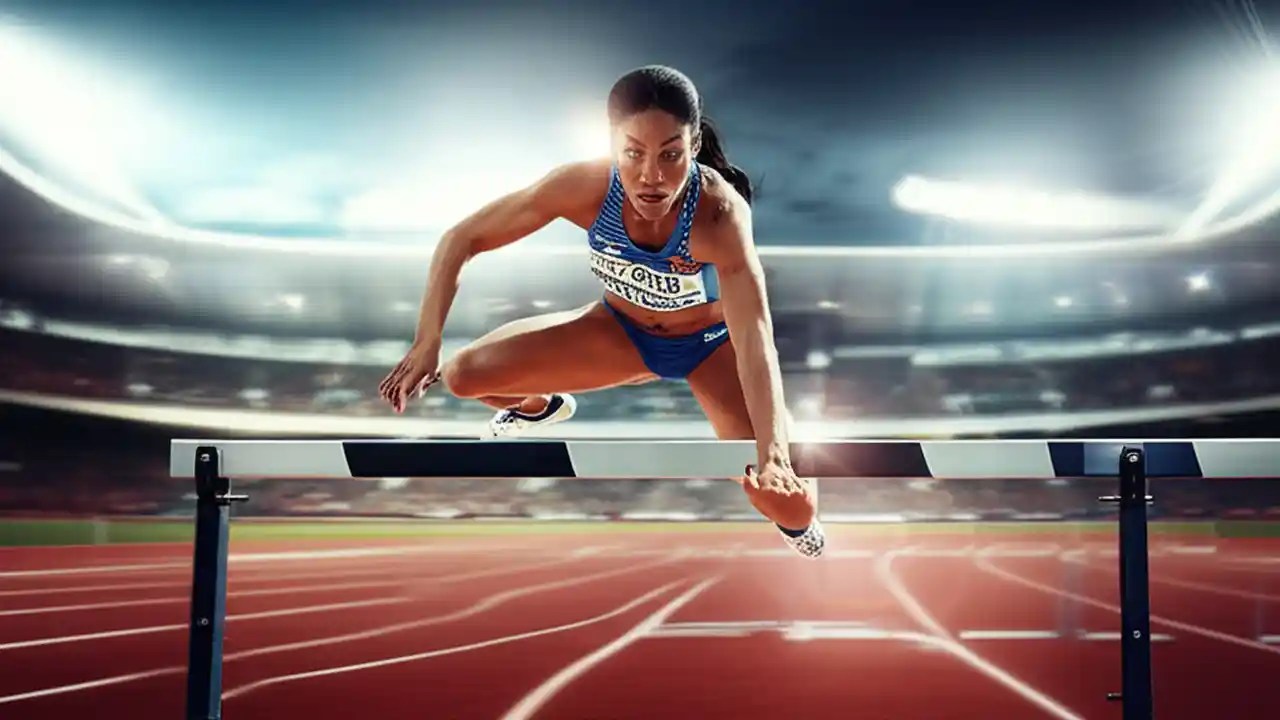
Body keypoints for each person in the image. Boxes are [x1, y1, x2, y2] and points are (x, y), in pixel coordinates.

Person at [378, 65, 823, 558]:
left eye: (670, 155)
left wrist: (775, 456)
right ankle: (539, 406)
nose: (651, 177)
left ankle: (801, 526)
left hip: (707, 350)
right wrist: (427, 339)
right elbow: (462, 238)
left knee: (794, 507)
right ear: (612, 145)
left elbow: (755, 337)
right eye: (633, 153)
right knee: (462, 375)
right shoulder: (583, 187)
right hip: (620, 336)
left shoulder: (719, 214)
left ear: (693, 145)